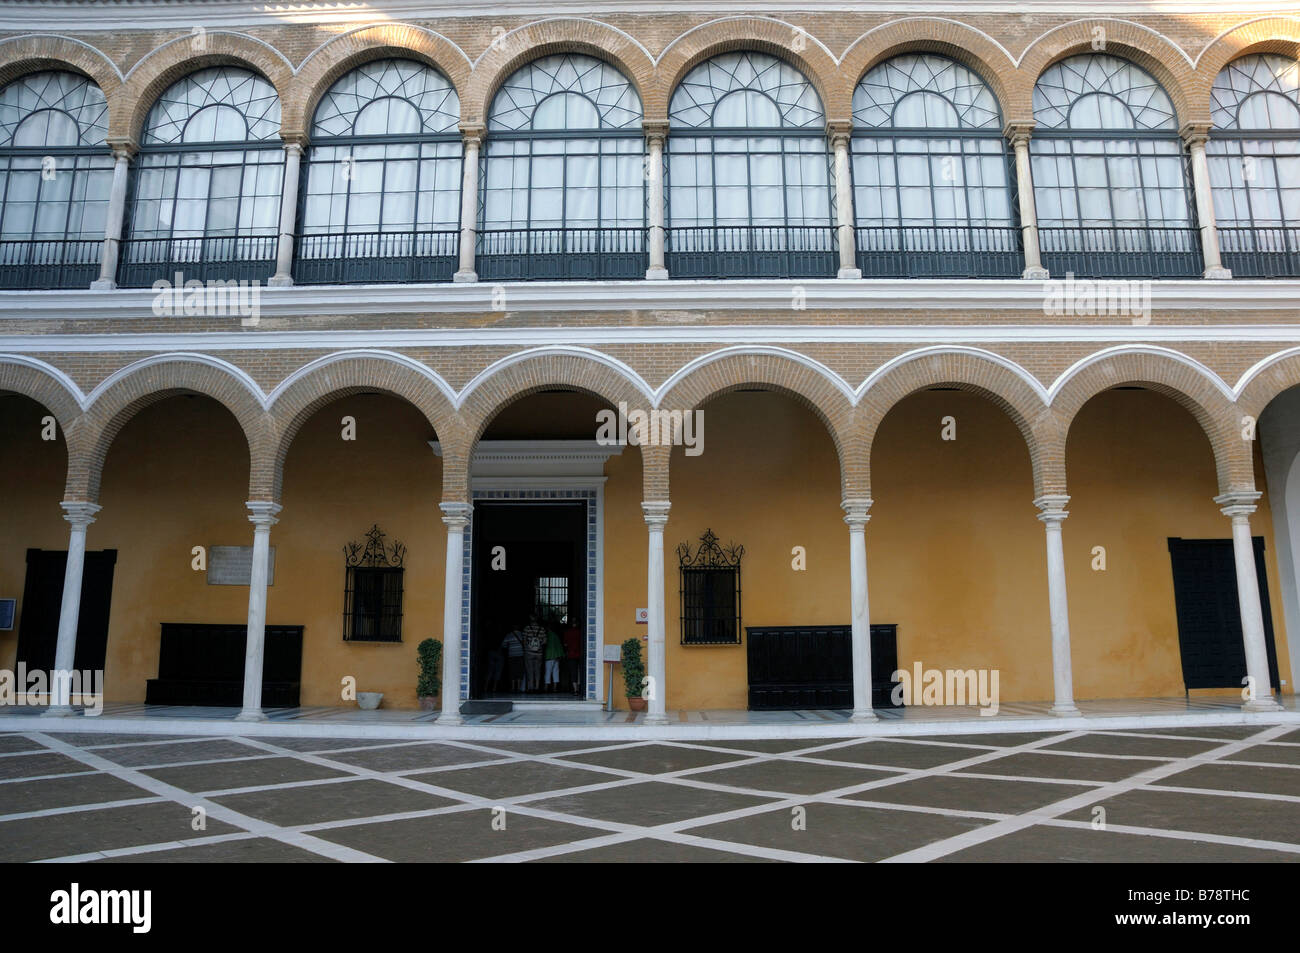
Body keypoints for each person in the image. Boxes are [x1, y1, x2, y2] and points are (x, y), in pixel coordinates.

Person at [521, 613, 547, 692]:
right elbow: (545, 641)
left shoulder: (527, 628)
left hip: (529, 653)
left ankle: (531, 687)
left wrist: (528, 648)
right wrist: (538, 647)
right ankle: (537, 687)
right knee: (538, 670)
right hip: (539, 653)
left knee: (530, 670)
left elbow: (524, 640)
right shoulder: (542, 629)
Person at [561, 614, 583, 698]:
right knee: (581, 671)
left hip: (571, 654)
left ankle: (575, 690)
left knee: (573, 672)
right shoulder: (581, 632)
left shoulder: (567, 632)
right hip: (581, 654)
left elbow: (565, 644)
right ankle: (581, 688)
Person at [500, 627, 525, 693]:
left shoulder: (509, 635)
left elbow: (504, 645)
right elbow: (526, 644)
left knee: (512, 671)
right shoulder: (522, 634)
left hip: (511, 655)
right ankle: (519, 687)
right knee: (520, 671)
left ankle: (513, 687)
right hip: (520, 655)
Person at [544, 623, 564, 693]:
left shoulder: (546, 635)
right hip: (556, 657)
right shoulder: (555, 635)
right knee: (556, 673)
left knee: (548, 672)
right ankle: (555, 688)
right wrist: (560, 656)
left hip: (548, 657)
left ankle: (546, 688)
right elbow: (559, 646)